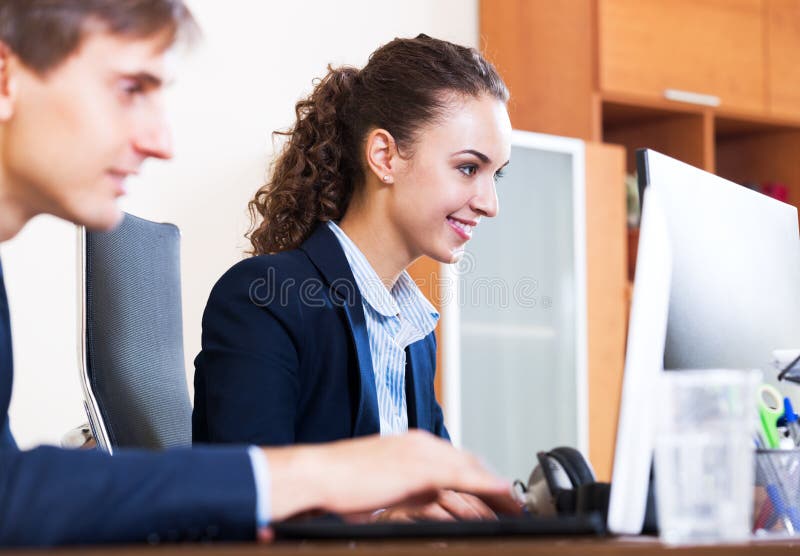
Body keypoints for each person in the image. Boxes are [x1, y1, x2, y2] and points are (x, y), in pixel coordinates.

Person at [0, 1, 517, 546]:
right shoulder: (266, 299)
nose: (161, 141)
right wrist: (335, 484)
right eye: (130, 89)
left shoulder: (416, 330)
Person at [192, 34, 512, 521]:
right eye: (468, 168)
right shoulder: (264, 301)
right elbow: (246, 509)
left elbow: (440, 498)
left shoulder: (414, 333)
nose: (490, 203)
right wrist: (387, 525)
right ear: (384, 156)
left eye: (496, 175)